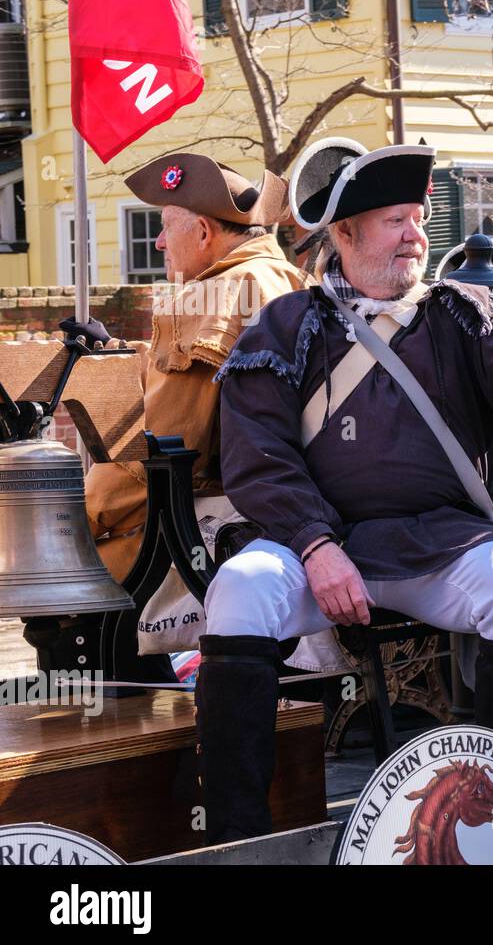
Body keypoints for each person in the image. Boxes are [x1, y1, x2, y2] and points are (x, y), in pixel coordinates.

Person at [199, 139, 493, 844]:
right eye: (394, 220)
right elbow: (258, 457)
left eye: (418, 218)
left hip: (442, 545)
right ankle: (240, 839)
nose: (415, 233)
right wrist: (315, 545)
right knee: (237, 590)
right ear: (345, 234)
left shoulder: (462, 312)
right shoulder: (287, 327)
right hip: (318, 548)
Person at [23, 154, 305, 676]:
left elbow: (161, 452)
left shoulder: (207, 298)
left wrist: (73, 521)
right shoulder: (287, 282)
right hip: (281, 518)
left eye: (163, 227)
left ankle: (119, 747)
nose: (156, 243)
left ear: (202, 232)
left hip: (203, 527)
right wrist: (120, 354)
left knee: (54, 600)